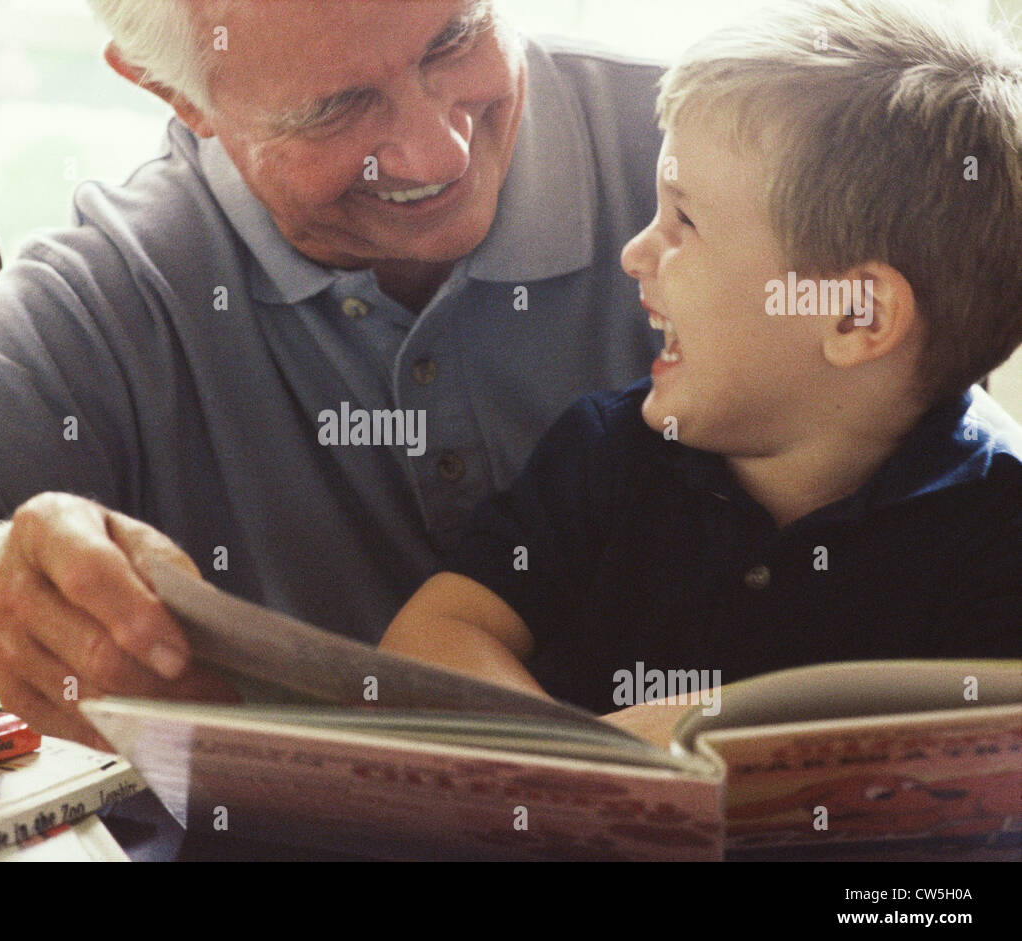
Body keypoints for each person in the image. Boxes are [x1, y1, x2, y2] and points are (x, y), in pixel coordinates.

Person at [0, 0, 664, 749]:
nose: (439, 151)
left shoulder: (709, 153)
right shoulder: (121, 289)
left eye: (455, 36)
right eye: (334, 108)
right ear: (178, 96)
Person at [380, 0, 1022, 713]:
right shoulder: (606, 457)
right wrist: (603, 766)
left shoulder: (998, 530)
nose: (634, 253)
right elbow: (435, 634)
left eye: (683, 220)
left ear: (854, 315)